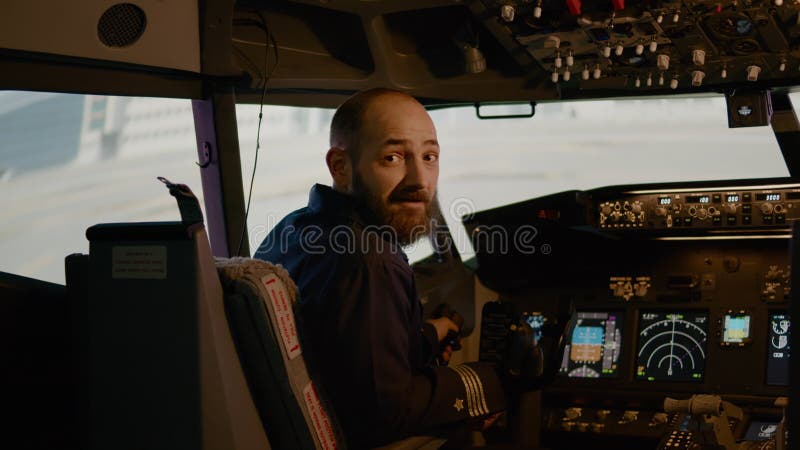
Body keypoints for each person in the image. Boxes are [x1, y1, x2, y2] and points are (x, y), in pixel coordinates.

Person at [254, 88, 506, 448]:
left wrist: (434, 333)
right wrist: (488, 384)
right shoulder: (370, 261)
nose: (420, 179)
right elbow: (386, 411)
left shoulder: (295, 227)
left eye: (430, 156)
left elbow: (350, 352)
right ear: (340, 166)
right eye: (392, 157)